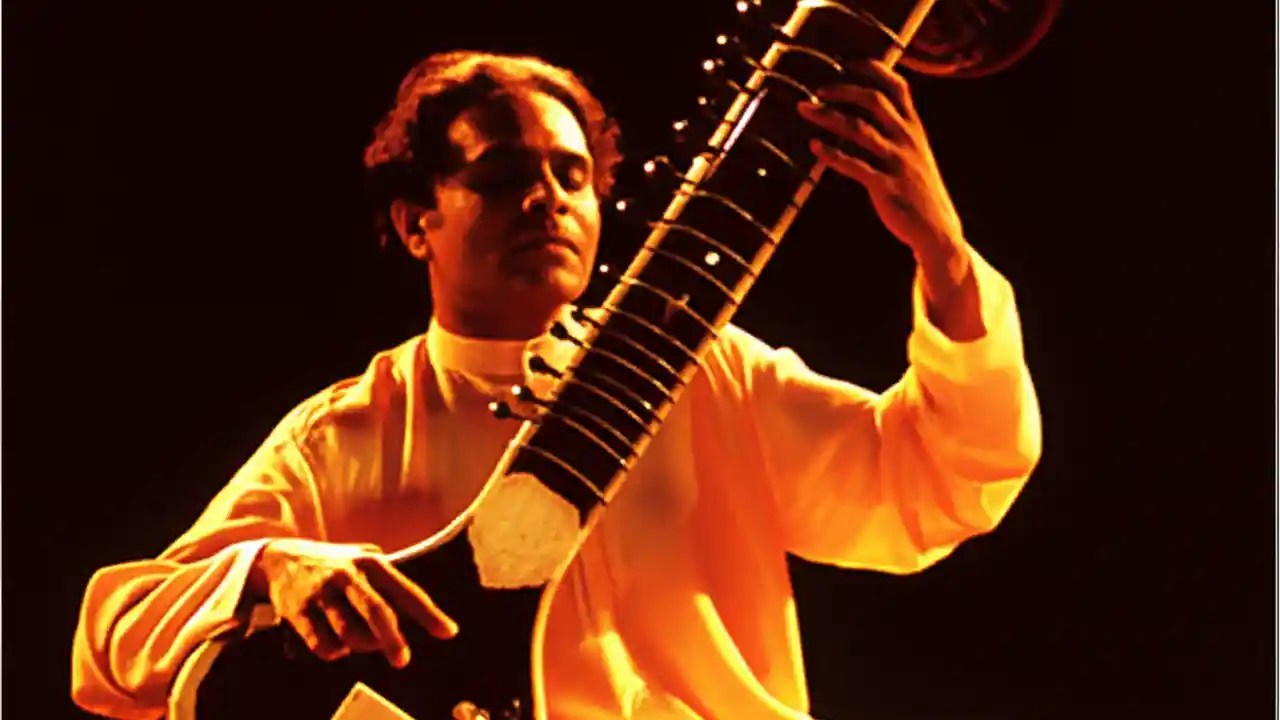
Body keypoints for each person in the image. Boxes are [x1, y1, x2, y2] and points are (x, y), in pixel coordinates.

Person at [70, 49, 1041, 719]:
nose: (546, 199)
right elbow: (111, 638)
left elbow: (937, 481)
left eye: (572, 175)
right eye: (499, 176)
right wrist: (273, 566)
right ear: (416, 223)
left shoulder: (711, 376)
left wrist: (944, 258)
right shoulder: (349, 435)